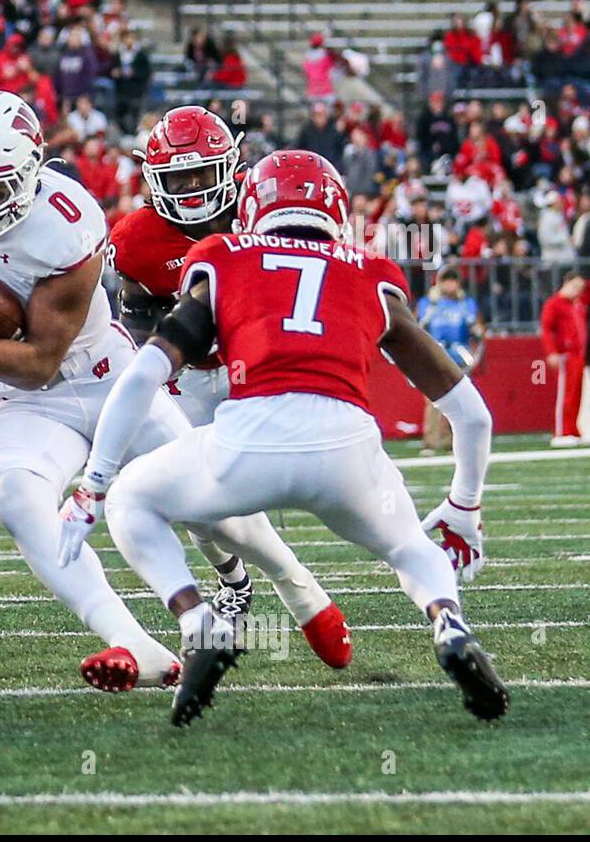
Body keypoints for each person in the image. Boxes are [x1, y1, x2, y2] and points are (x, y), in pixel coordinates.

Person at [0, 91, 349, 695]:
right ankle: (135, 643)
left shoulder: (65, 220)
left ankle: (298, 587)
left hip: (103, 378)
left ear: (31, 174)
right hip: (23, 400)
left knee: (210, 503)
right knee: (11, 492)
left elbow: (40, 359)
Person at [59, 150, 506, 727]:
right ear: (338, 209)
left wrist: (94, 483)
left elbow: (145, 373)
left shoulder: (221, 255)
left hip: (250, 443)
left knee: (130, 499)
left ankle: (199, 622)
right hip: (347, 447)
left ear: (251, 204)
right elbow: (471, 415)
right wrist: (465, 506)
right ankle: (448, 622)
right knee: (410, 548)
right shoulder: (372, 272)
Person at [105, 106, 350, 664]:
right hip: (189, 370)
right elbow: (139, 319)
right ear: (153, 180)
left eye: (201, 175)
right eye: (179, 178)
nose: (192, 190)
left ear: (231, 167)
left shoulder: (262, 205)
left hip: (256, 361)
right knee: (195, 497)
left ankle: (287, 581)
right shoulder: (138, 238)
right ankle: (236, 579)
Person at [417, 268, 485, 452]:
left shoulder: (466, 304)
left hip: (458, 355)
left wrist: (477, 334)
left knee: (458, 398)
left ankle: (451, 438)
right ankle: (431, 439)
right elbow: (418, 326)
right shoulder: (429, 303)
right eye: (446, 280)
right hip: (434, 354)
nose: (450, 284)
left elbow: (477, 329)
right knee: (433, 399)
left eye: (453, 280)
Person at [540, 270, 587, 446]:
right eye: (575, 286)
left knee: (576, 395)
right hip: (565, 356)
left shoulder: (576, 304)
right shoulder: (554, 304)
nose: (578, 291)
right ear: (566, 283)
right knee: (566, 395)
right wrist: (551, 352)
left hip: (578, 355)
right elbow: (547, 329)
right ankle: (562, 431)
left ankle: (572, 429)